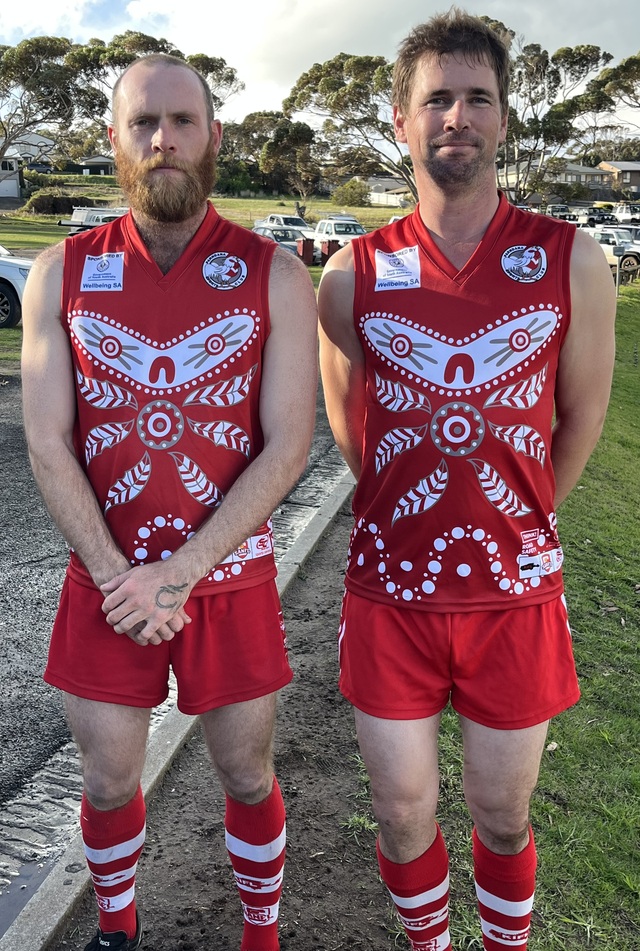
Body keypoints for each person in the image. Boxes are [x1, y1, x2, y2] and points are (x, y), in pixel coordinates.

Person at [318, 10, 615, 951]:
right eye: (435, 99)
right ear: (402, 121)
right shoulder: (349, 274)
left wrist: (513, 515)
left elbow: (580, 422)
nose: (457, 116)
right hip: (390, 593)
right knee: (402, 812)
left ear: (502, 117)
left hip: (512, 595)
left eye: (476, 98)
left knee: (499, 813)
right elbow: (348, 429)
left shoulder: (573, 259)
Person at [21, 53, 318, 951]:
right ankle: (118, 927)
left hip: (228, 577)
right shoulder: (60, 271)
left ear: (214, 138)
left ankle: (259, 933)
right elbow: (47, 441)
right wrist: (123, 578)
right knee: (108, 778)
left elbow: (289, 444)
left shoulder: (273, 272)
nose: (164, 141)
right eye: (144, 124)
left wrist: (180, 573)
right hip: (105, 580)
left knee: (246, 768)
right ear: (114, 141)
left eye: (183, 122)